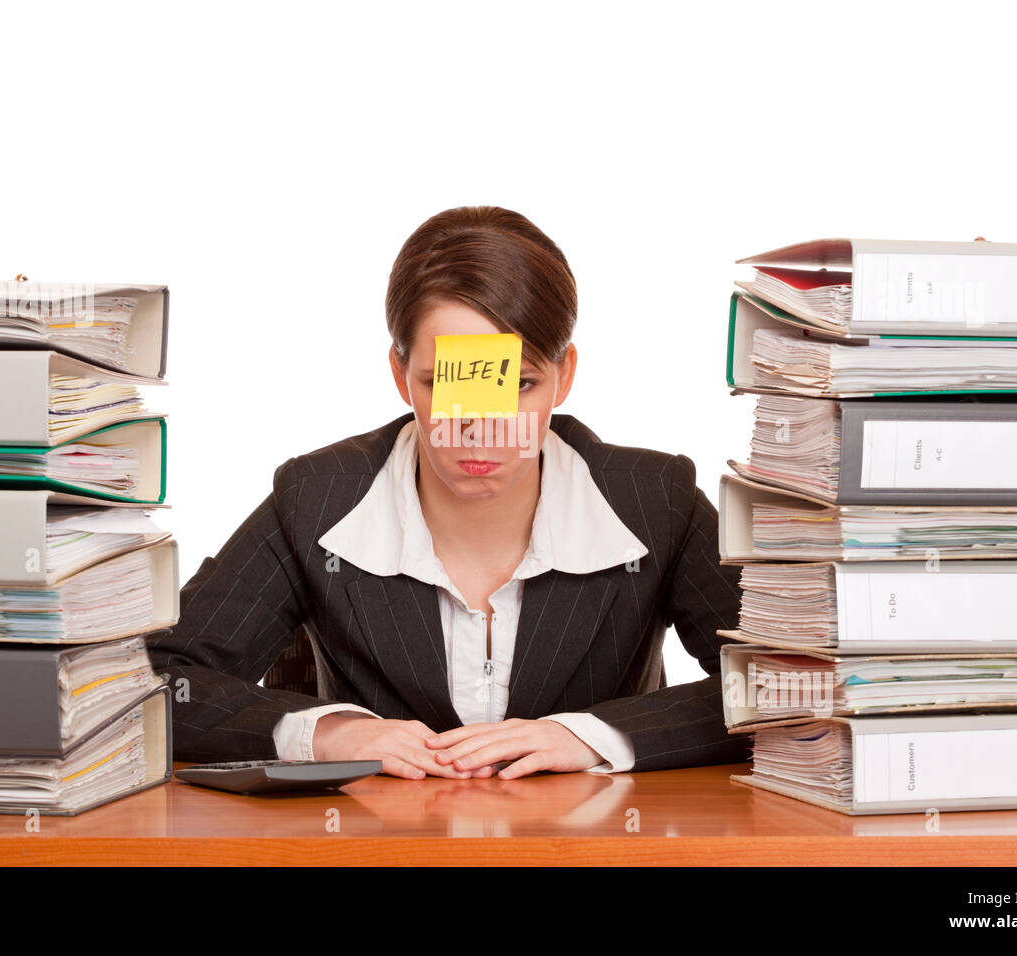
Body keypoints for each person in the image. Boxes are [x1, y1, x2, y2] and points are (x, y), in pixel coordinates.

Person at [145, 205, 750, 779]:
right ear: (399, 376)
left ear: (564, 377)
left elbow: (781, 679)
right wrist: (327, 733)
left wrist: (590, 736)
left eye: (519, 385)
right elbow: (158, 678)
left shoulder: (655, 501)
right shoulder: (316, 499)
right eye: (445, 384)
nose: (480, 428)